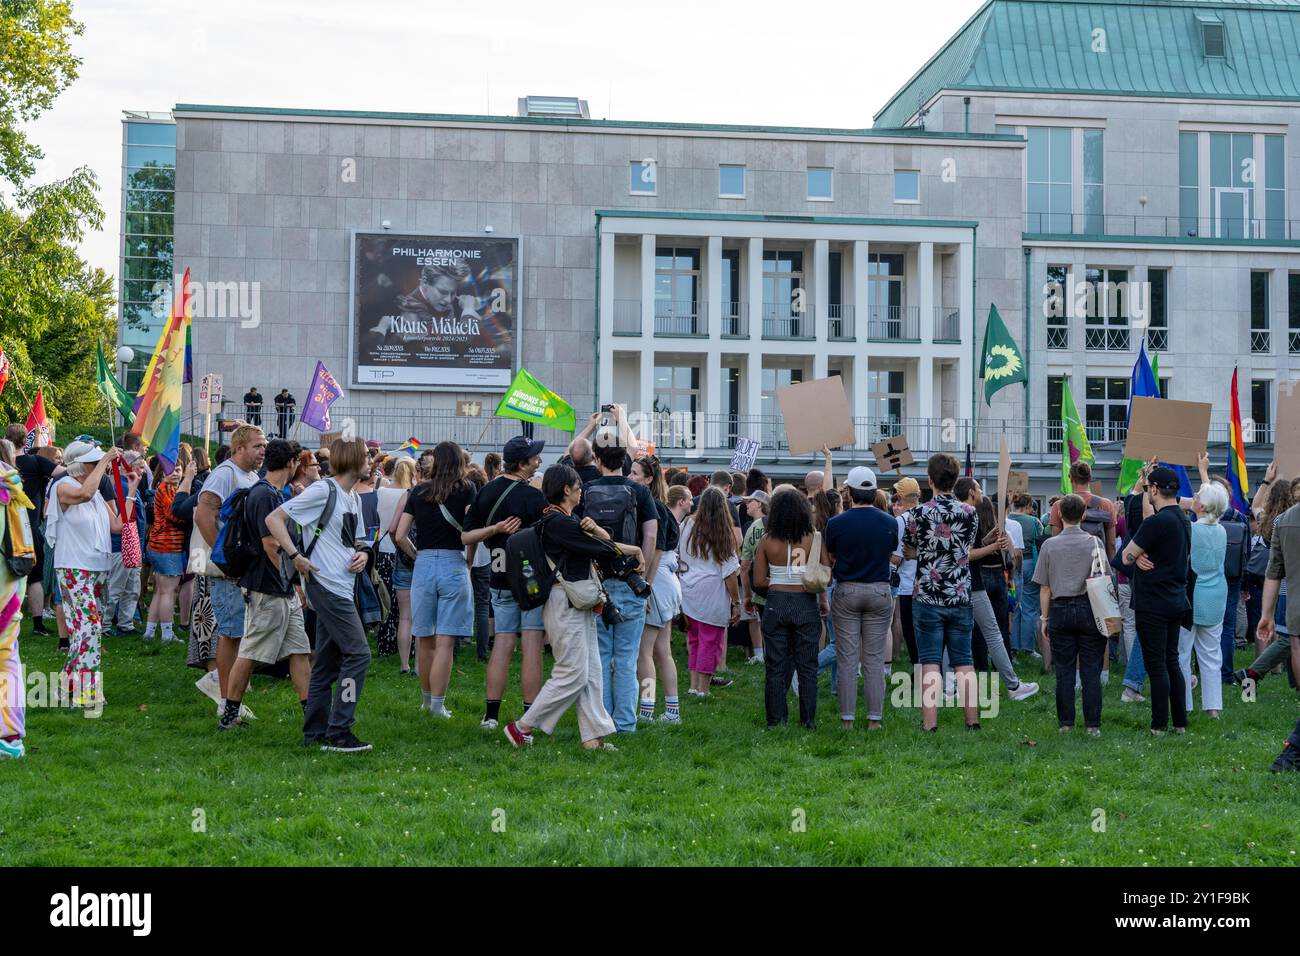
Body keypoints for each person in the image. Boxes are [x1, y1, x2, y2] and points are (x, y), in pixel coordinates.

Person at [502, 465, 642, 751]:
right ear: (566, 490)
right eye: (578, 486)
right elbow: (603, 549)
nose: (581, 490)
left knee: (591, 671)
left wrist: (595, 529)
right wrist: (635, 551)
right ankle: (521, 727)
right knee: (573, 672)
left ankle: (593, 737)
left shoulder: (564, 519)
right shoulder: (559, 522)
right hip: (565, 602)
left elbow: (599, 543)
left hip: (576, 602)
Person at [267, 438, 372, 751]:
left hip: (342, 584)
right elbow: (274, 519)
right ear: (353, 459)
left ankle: (315, 733)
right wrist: (295, 555)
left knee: (325, 663)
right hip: (325, 585)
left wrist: (363, 555)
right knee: (359, 654)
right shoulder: (323, 490)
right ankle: (339, 730)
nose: (371, 461)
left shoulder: (352, 497)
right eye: (366, 456)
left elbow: (360, 541)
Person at [219, 439, 312, 731]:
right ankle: (229, 715)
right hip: (267, 587)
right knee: (251, 652)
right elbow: (271, 544)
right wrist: (294, 582)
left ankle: (311, 711)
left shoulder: (274, 493)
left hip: (280, 589)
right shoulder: (264, 496)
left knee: (299, 650)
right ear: (292, 463)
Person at [463, 436, 546, 729]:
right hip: (531, 580)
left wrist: (494, 529)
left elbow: (466, 536)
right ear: (522, 463)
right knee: (532, 645)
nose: (538, 461)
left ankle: (491, 715)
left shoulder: (486, 492)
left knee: (503, 644)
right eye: (534, 458)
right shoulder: (535, 497)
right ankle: (529, 715)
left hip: (499, 576)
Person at [392, 441, 477, 720]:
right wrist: (469, 558)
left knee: (424, 638)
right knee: (446, 641)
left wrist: (418, 556)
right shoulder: (467, 489)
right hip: (454, 561)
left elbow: (399, 535)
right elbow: (470, 530)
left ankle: (426, 701)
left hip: (424, 565)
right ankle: (439, 705)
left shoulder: (417, 492)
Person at [903, 453, 982, 732]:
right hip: (960, 593)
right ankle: (972, 721)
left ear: (930, 480)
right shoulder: (970, 513)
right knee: (964, 661)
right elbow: (966, 547)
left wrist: (920, 552)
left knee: (930, 662)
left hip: (927, 594)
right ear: (956, 480)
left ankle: (929, 724)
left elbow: (910, 548)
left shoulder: (917, 514)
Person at [583, 440, 657, 732]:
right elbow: (650, 536)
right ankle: (625, 722)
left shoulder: (586, 490)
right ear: (624, 461)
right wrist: (642, 572)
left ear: (597, 459)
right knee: (627, 658)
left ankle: (601, 719)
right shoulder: (639, 491)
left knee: (600, 655)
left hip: (597, 580)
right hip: (629, 581)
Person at [194, 425, 266, 717]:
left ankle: (230, 694)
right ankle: (225, 700)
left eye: (264, 446)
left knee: (244, 633)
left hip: (245, 567)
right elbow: (203, 514)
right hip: (227, 571)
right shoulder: (224, 473)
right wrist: (223, 557)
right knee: (232, 633)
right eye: (257, 445)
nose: (263, 451)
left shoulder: (250, 476)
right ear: (239, 448)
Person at [46, 440, 122, 709]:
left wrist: (132, 489)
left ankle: (63, 690)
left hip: (98, 567)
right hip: (73, 566)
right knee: (89, 627)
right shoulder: (62, 486)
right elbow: (83, 496)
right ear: (81, 465)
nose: (100, 467)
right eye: (93, 461)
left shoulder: (98, 492)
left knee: (87, 631)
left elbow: (117, 525)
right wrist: (104, 462)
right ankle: (86, 693)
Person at [953, 477, 1039, 703]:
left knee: (954, 634)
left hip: (957, 584)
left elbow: (967, 548)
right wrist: (993, 546)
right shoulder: (968, 513)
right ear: (971, 492)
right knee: (993, 633)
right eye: (979, 488)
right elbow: (966, 554)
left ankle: (949, 685)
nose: (982, 491)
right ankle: (1013, 685)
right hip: (972, 583)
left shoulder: (954, 512)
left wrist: (988, 538)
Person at [825, 467, 898, 731]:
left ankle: (847, 720)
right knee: (875, 660)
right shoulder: (890, 522)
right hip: (879, 590)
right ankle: (874, 720)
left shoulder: (836, 524)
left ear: (850, 492)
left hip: (847, 590)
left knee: (846, 658)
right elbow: (891, 552)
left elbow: (831, 553)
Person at [1120, 466, 1191, 735]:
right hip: (1176, 599)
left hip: (1153, 602)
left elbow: (1125, 555)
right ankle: (1180, 722)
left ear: (1154, 489)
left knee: (1156, 663)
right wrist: (1139, 554)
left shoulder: (1157, 523)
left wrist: (1134, 555)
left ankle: (1159, 724)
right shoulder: (1183, 519)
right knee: (1172, 660)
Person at [753, 487, 826, 728]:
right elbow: (825, 575)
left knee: (775, 666)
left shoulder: (766, 541)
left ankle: (776, 721)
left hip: (776, 603)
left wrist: (777, 582)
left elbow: (758, 581)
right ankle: (808, 721)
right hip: (805, 604)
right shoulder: (814, 538)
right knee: (807, 666)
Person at [1035, 494, 1106, 735]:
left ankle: (1066, 723)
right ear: (1084, 515)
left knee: (1064, 669)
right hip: (1089, 608)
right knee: (1091, 669)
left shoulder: (1049, 545)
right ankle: (1092, 725)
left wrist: (1044, 619)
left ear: (1060, 515)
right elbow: (1103, 579)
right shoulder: (1095, 542)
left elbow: (1044, 587)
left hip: (1060, 608)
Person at [1236, 473, 1299, 689]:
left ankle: (1263, 674)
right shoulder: (1287, 519)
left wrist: (1265, 481)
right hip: (1287, 588)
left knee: (1287, 637)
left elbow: (1255, 505)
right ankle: (1254, 672)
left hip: (1278, 585)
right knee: (1288, 639)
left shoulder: (1273, 520)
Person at [680, 487, 741, 700]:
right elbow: (730, 572)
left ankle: (693, 686)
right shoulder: (721, 531)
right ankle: (703, 690)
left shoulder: (687, 524)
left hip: (687, 588)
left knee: (694, 639)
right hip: (712, 591)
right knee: (711, 641)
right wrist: (736, 601)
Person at [633, 455, 682, 723]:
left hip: (656, 582)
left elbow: (658, 550)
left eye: (635, 473)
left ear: (649, 479)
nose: (630, 477)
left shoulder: (652, 508)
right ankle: (672, 710)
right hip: (666, 584)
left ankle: (647, 709)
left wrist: (645, 587)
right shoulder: (662, 508)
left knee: (645, 651)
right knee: (663, 650)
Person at [1176, 482, 1228, 719]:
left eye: (1197, 495)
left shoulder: (1190, 530)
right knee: (1211, 655)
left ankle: (1184, 704)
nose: (1194, 497)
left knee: (1182, 653)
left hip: (1191, 596)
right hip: (1216, 595)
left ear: (1203, 506)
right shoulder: (1222, 531)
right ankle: (1213, 708)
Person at [144, 448, 196, 643]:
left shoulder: (171, 489)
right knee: (169, 591)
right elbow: (175, 516)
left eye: (179, 469)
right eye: (172, 470)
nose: (176, 473)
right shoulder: (165, 490)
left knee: (159, 591)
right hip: (166, 547)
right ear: (163, 471)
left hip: (162, 546)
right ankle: (167, 633)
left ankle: (149, 631)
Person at [375, 457, 417, 669]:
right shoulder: (408, 495)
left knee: (386, 602)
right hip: (403, 552)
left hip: (383, 551)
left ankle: (385, 643)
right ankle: (410, 653)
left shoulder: (381, 491)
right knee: (407, 611)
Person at [1051, 460, 1116, 559]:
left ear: (1070, 478)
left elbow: (1055, 542)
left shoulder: (1059, 505)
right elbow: (1111, 543)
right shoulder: (1106, 504)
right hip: (1097, 566)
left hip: (1069, 563)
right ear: (1090, 478)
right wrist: (1110, 568)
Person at [891, 477, 922, 669]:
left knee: (911, 631)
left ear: (901, 497)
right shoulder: (929, 514)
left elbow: (896, 558)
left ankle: (918, 670)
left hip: (907, 584)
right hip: (928, 582)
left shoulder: (900, 521)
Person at [1009, 493, 1045, 657]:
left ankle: (1014, 646)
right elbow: (1041, 541)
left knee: (1014, 606)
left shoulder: (1006, 519)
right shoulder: (1034, 522)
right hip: (1029, 563)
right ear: (1029, 505)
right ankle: (1028, 648)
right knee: (1030, 608)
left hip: (1008, 566)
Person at [738, 489, 771, 664]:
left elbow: (744, 566)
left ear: (759, 504)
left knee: (768, 628)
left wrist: (748, 596)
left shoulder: (753, 528)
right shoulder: (780, 524)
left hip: (762, 589)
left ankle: (767, 657)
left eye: (749, 501)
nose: (746, 504)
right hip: (786, 586)